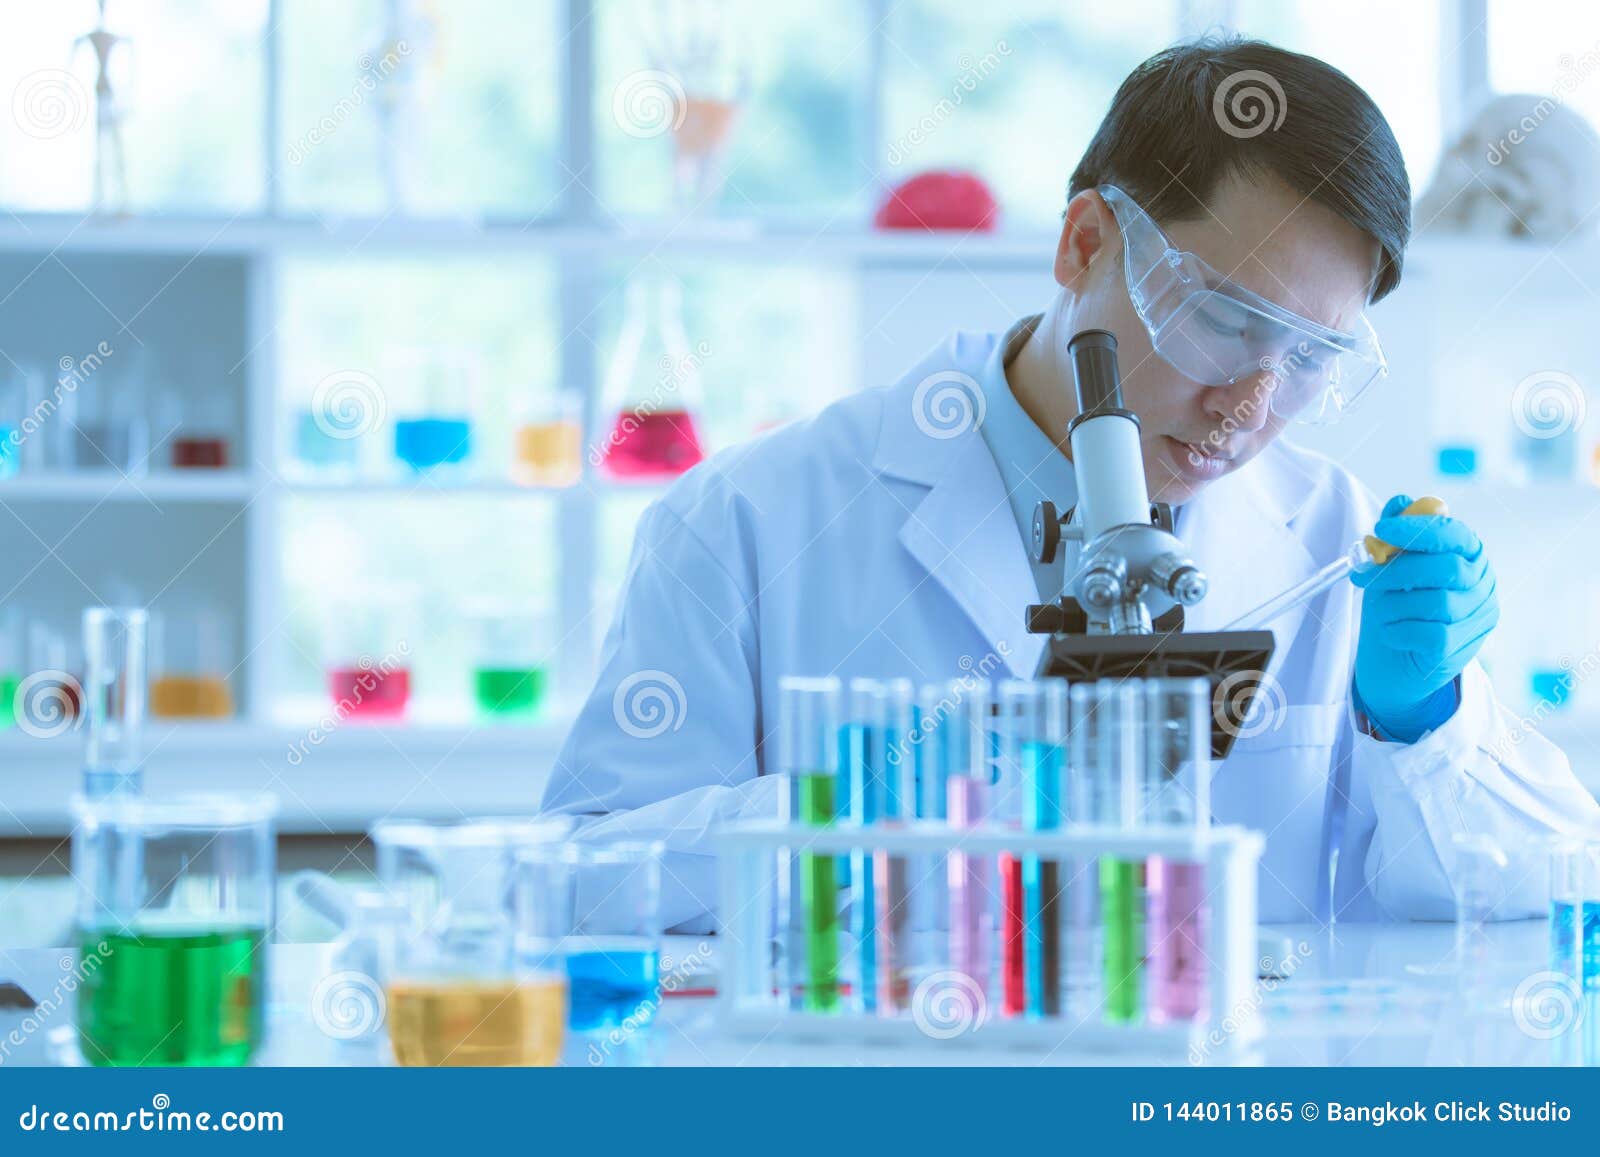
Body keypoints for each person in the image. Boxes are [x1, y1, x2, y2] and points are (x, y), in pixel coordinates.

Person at [542, 38, 1600, 931]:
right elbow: (580, 880)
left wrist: (1424, 725)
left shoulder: (1334, 536)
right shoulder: (754, 518)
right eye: (1226, 320)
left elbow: (1538, 889)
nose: (1249, 401)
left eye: (1311, 357)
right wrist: (918, 811)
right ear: (1084, 241)